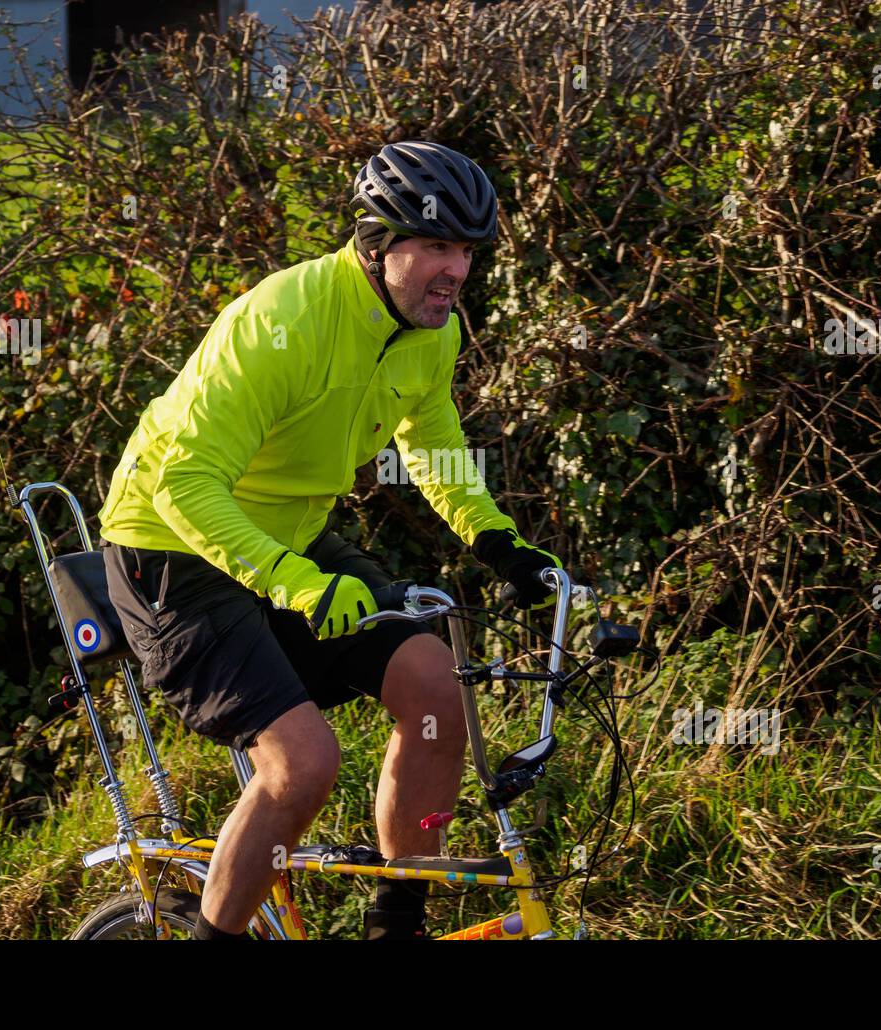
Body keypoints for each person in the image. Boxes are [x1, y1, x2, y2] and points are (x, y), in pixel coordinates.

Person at [98, 140, 563, 940]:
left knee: (436, 697)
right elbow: (186, 485)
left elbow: (433, 435)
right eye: (437, 247)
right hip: (170, 550)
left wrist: (494, 539)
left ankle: (396, 925)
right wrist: (296, 582)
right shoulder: (283, 320)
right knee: (303, 764)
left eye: (467, 251)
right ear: (378, 245)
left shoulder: (430, 326)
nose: (456, 271)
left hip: (288, 537)